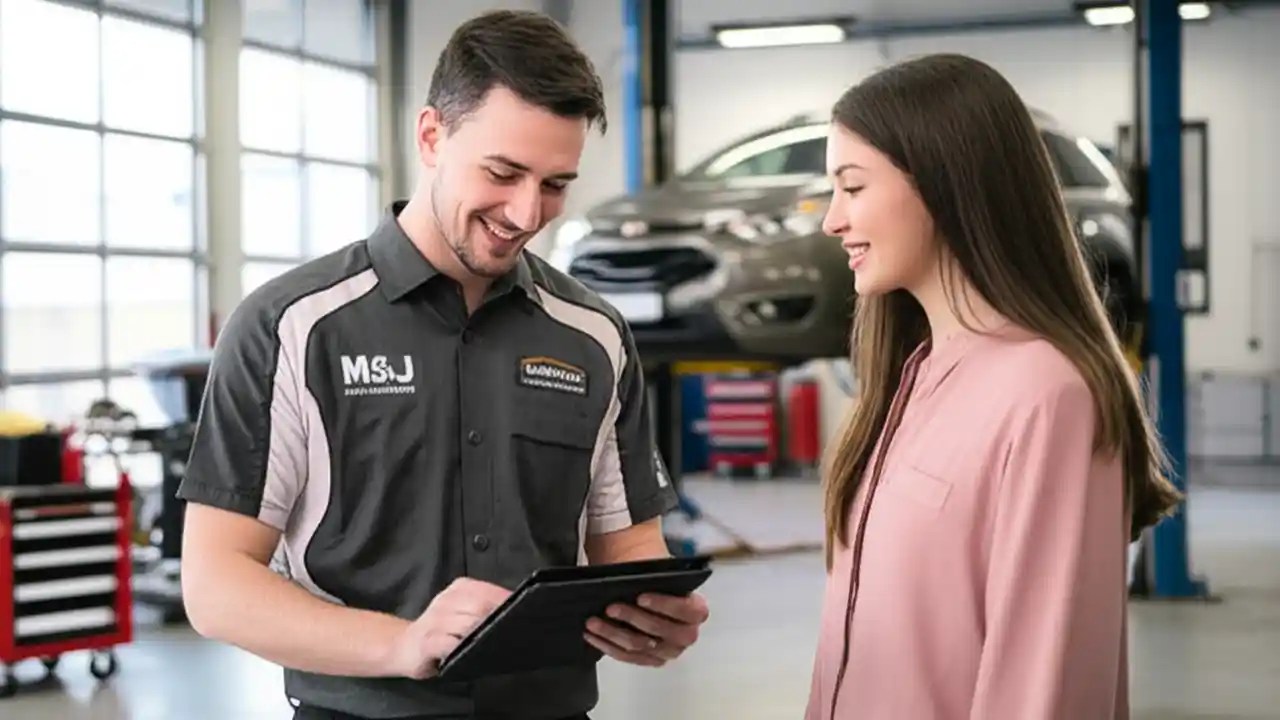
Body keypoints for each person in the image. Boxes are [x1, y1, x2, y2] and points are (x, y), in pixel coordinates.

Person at [177, 10, 708, 720]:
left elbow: (629, 548)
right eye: (503, 172)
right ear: (432, 136)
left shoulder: (594, 336)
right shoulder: (293, 327)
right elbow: (215, 585)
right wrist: (402, 644)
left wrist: (653, 617)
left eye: (555, 183)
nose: (526, 212)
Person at [804, 54, 1182, 720]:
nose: (831, 219)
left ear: (945, 185)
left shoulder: (1047, 394)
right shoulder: (912, 377)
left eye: (853, 187)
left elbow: (1047, 681)